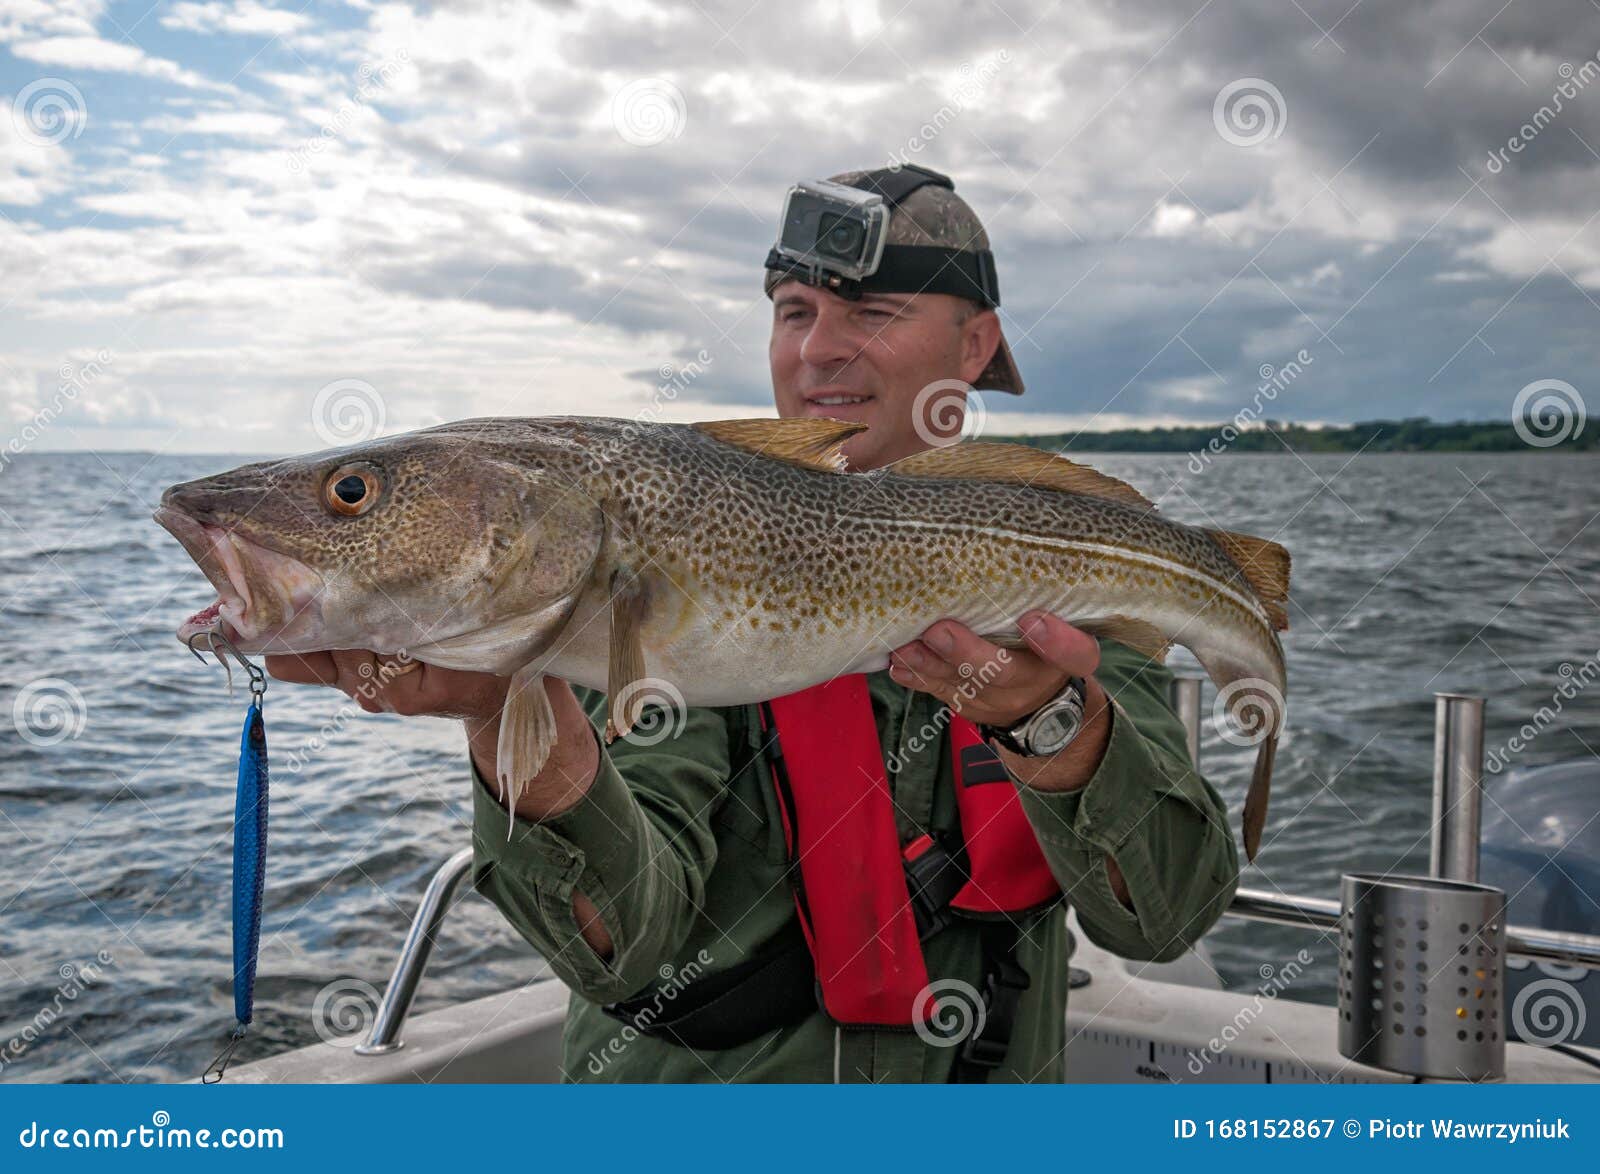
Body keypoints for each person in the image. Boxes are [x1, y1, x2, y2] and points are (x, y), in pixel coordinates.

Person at [266, 165, 1240, 1083]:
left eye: (872, 310)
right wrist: (522, 739)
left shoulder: (1072, 573)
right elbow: (617, 943)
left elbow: (1163, 917)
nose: (818, 348)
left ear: (973, 346)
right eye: (793, 311)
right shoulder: (685, 560)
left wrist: (1060, 730)